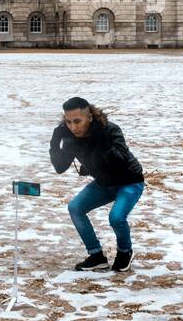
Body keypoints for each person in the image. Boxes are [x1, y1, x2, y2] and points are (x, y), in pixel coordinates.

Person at [49, 97, 145, 272]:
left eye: (77, 121)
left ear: (90, 117)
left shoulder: (110, 130)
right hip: (104, 183)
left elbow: (120, 162)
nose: (73, 127)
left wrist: (101, 140)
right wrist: (55, 142)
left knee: (116, 218)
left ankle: (125, 252)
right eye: (68, 122)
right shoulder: (71, 138)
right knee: (75, 208)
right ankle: (96, 256)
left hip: (129, 181)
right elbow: (60, 167)